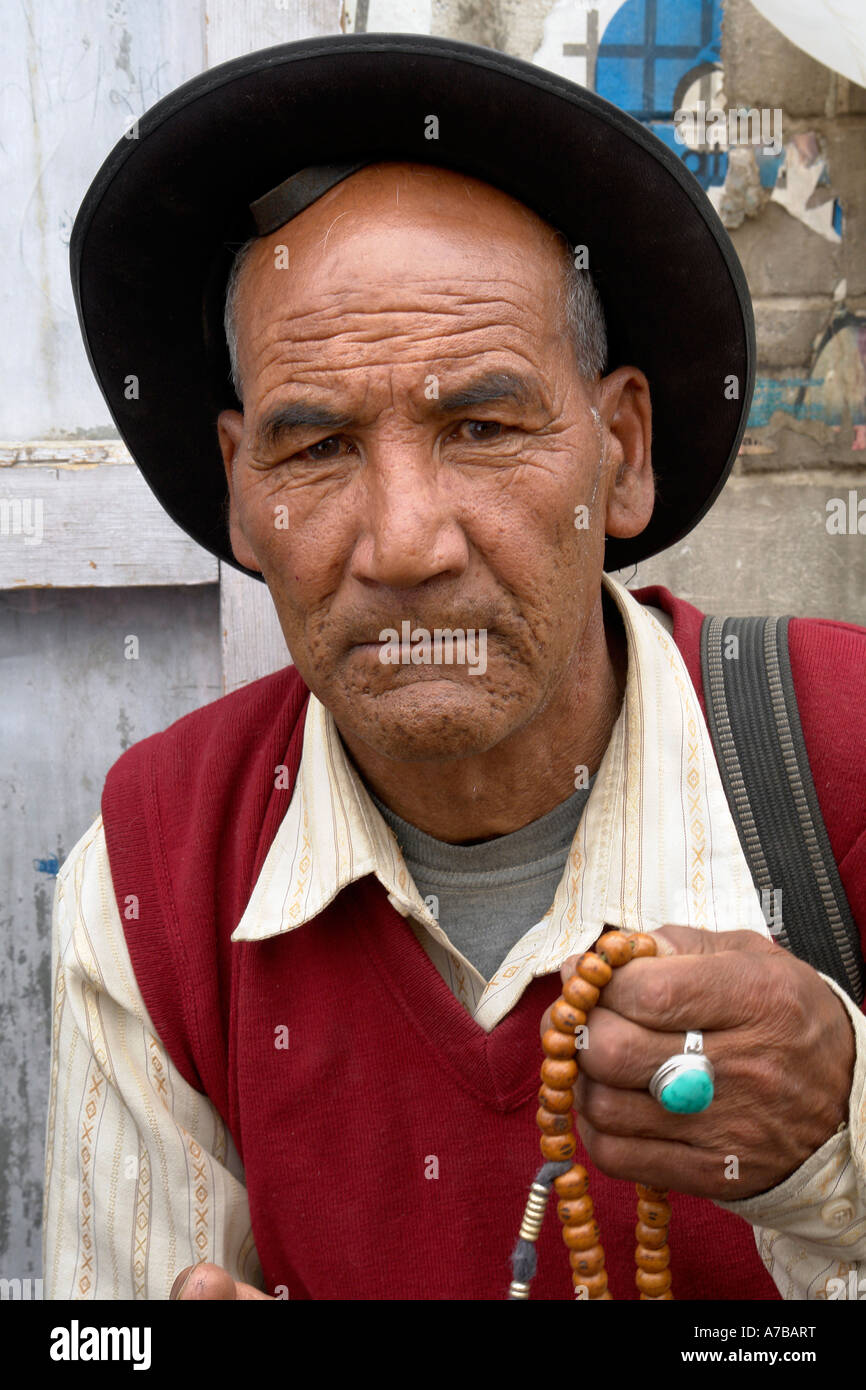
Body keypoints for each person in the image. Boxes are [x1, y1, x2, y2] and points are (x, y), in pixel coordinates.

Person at [44, 34, 865, 1301]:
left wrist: (837, 1136)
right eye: (314, 448)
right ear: (241, 496)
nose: (405, 543)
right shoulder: (155, 871)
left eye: (479, 427)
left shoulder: (842, 757)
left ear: (620, 451)